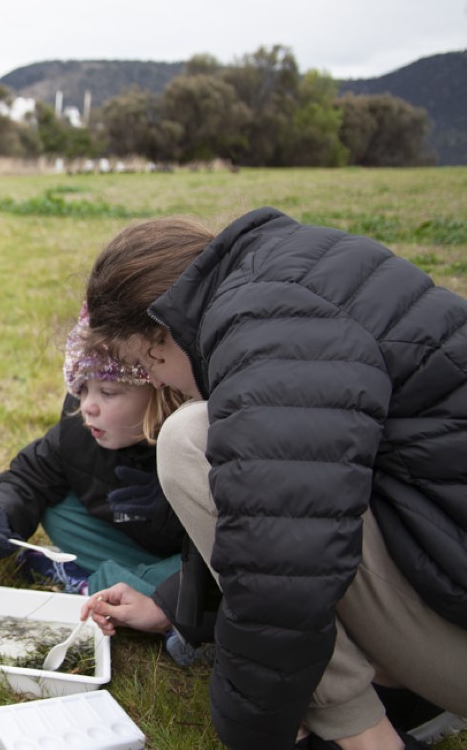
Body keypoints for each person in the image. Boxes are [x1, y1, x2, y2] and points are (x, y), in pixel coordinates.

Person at [80, 208, 467, 750]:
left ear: (157, 338)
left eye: (144, 368)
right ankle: (398, 685)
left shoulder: (267, 329)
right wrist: (175, 606)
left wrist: (259, 729)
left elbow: (282, 567)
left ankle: (367, 739)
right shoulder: (288, 271)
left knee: (192, 438)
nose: (158, 381)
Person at [0, 305, 188, 604]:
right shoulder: (78, 431)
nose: (88, 406)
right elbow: (29, 476)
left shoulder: (192, 443)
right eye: (82, 390)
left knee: (200, 577)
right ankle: (132, 586)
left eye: (108, 392)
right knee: (56, 506)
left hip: (182, 560)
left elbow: (225, 536)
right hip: (124, 541)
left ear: (161, 393)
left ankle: (98, 586)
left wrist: (170, 510)